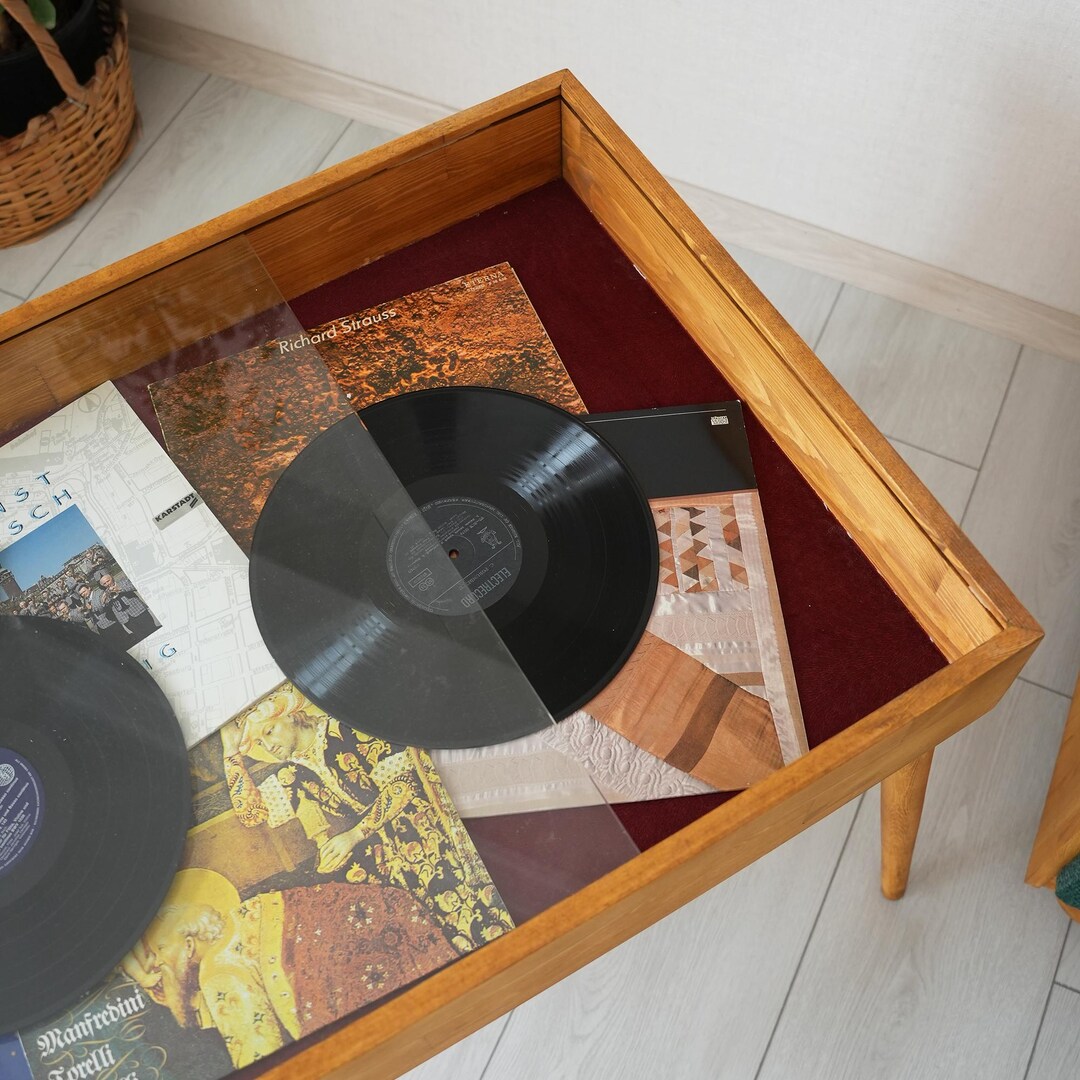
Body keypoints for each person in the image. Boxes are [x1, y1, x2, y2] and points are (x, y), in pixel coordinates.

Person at [221, 687, 512, 954]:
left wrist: (352, 836)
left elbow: (402, 786)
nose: (268, 746)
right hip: (384, 851)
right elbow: (251, 815)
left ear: (294, 715)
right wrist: (231, 754)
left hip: (424, 826)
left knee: (471, 908)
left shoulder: (347, 728)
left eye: (270, 731)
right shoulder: (294, 773)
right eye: (260, 741)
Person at [121, 869, 456, 1070]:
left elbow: (257, 1053)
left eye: (160, 951)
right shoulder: (250, 913)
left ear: (188, 944)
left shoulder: (218, 971)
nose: (157, 966)